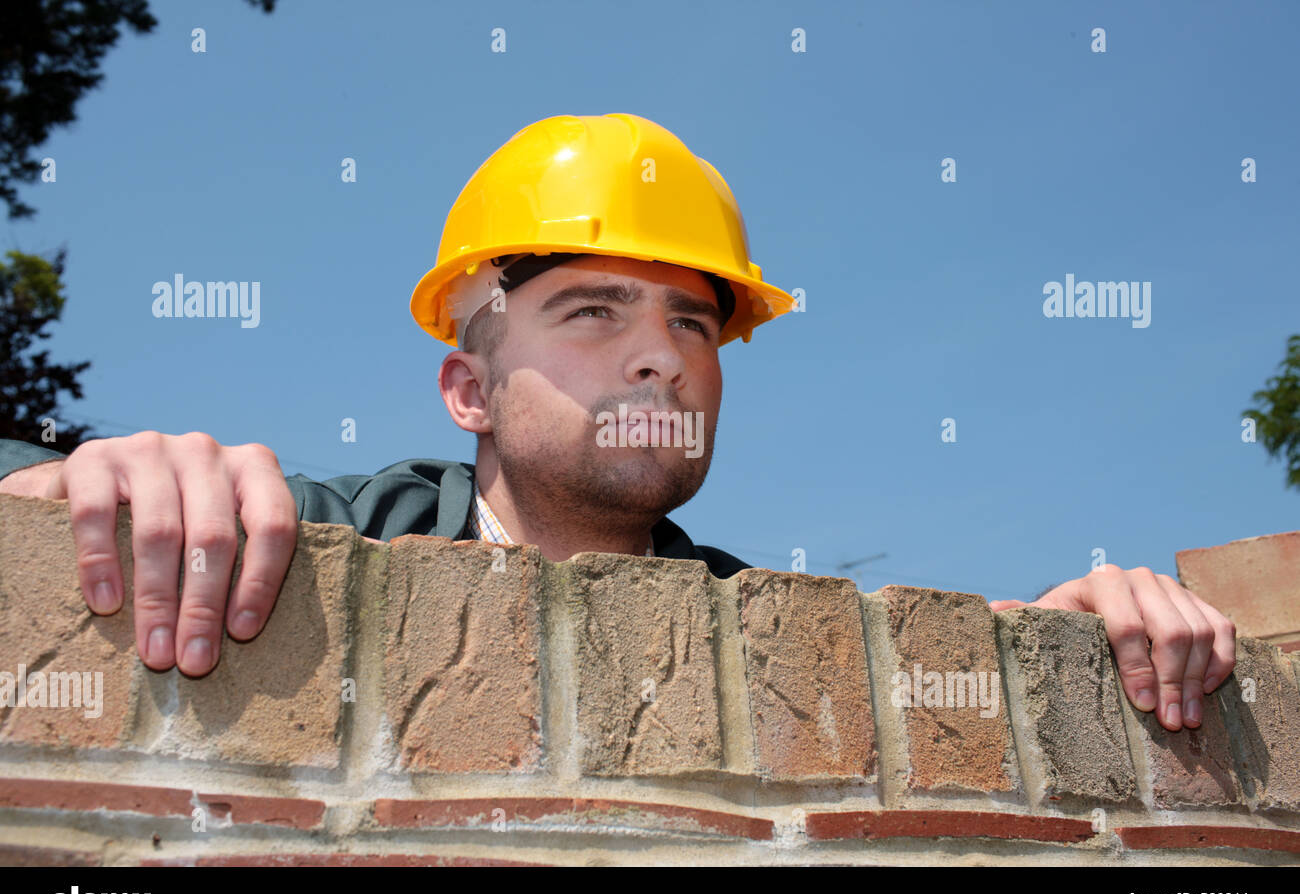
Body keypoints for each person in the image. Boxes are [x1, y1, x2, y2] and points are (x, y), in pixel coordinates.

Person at [0, 113, 1235, 735]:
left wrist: (1061, 639)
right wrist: (93, 481)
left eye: (696, 322)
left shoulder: (761, 630)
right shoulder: (321, 544)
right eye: (593, 309)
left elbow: (914, 685)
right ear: (467, 390)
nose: (661, 353)